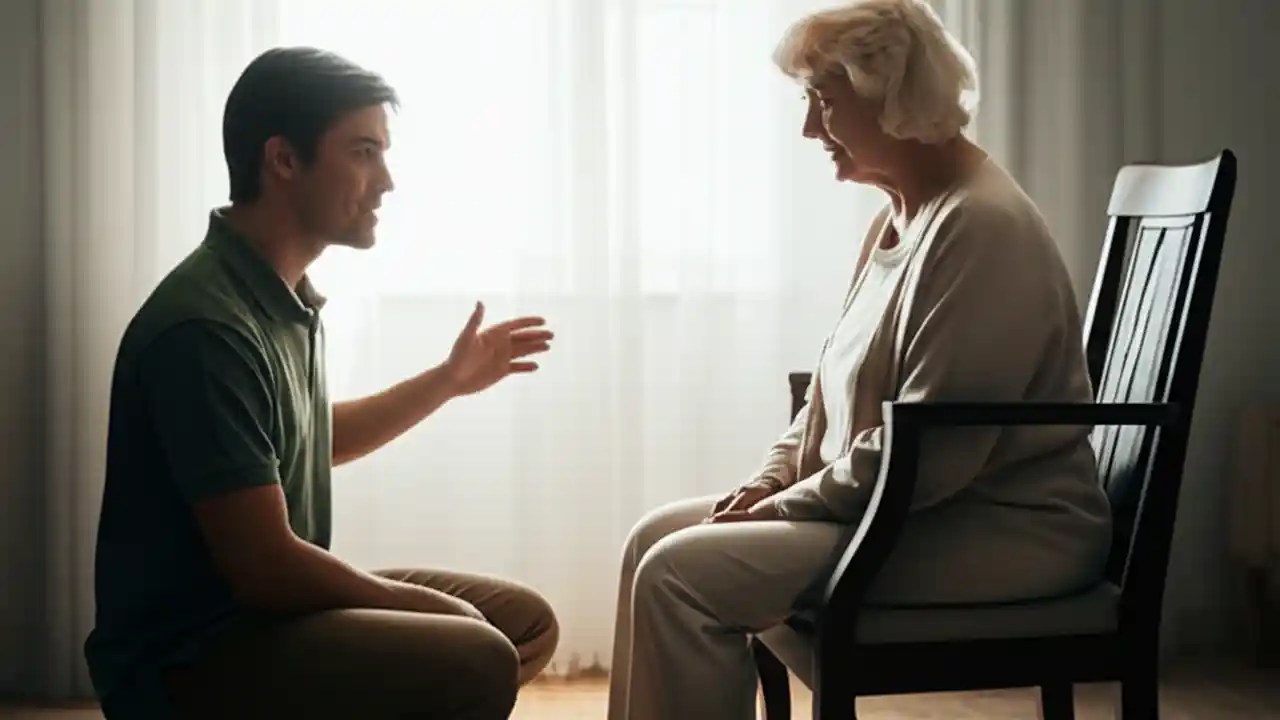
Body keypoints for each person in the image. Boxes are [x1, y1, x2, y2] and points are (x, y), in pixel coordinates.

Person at [606, 1, 1113, 718]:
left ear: (891, 96)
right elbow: (826, 399)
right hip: (908, 512)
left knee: (679, 574)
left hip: (999, 528)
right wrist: (766, 480)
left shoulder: (981, 228)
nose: (811, 128)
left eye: (823, 102)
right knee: (651, 540)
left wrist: (777, 506)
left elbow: (930, 455)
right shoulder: (901, 212)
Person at [85, 47, 559, 720]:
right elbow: (268, 567)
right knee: (478, 652)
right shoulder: (207, 328)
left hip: (266, 620)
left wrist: (449, 380)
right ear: (283, 160)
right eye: (364, 151)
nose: (387, 180)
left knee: (524, 623)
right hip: (193, 663)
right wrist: (441, 613)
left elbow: (308, 436)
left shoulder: (281, 296)